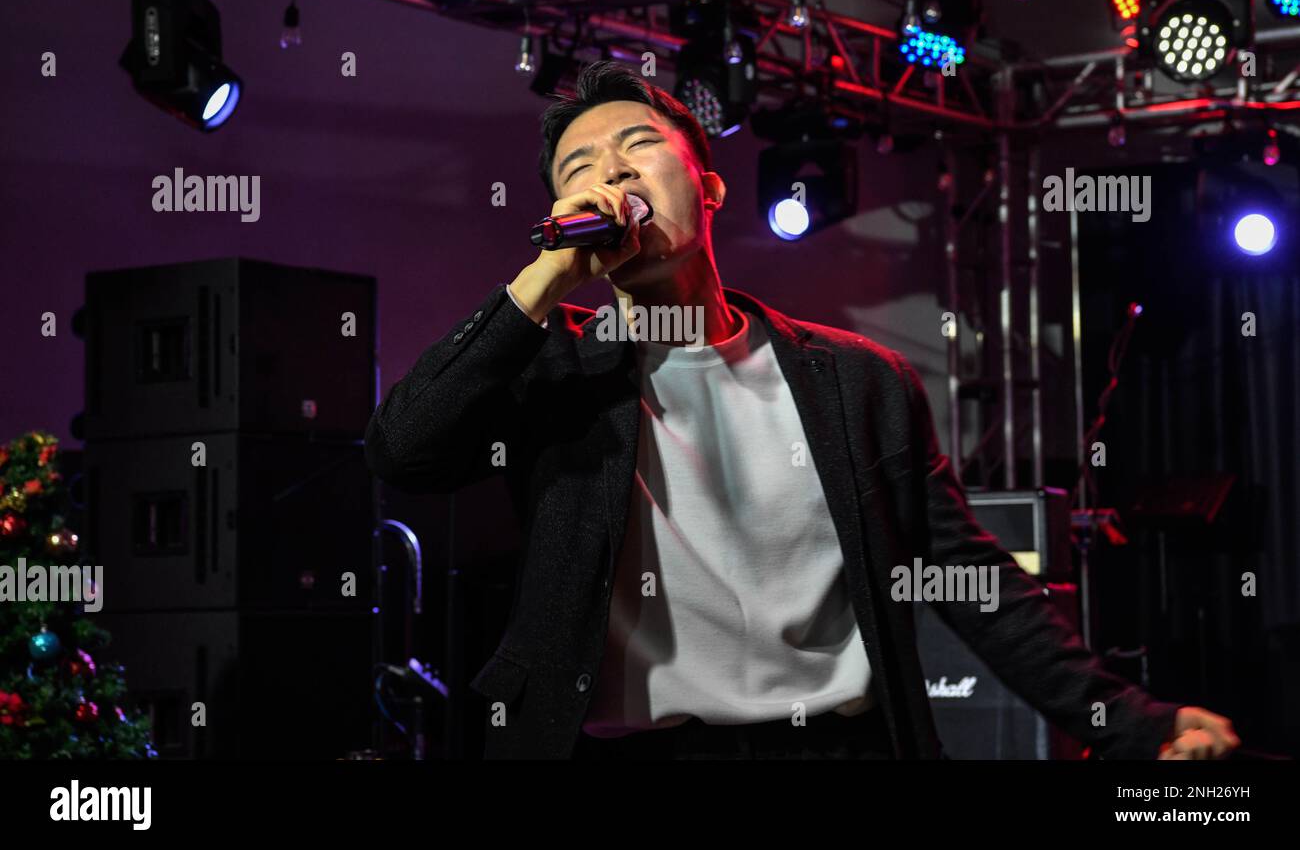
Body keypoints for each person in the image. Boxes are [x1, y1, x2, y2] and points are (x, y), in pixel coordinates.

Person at [363, 60, 1240, 761]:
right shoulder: (551, 372)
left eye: (637, 147)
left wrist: (1132, 725)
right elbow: (404, 449)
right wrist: (544, 278)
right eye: (579, 168)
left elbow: (975, 586)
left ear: (707, 189)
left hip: (835, 743)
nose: (612, 173)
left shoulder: (859, 382)